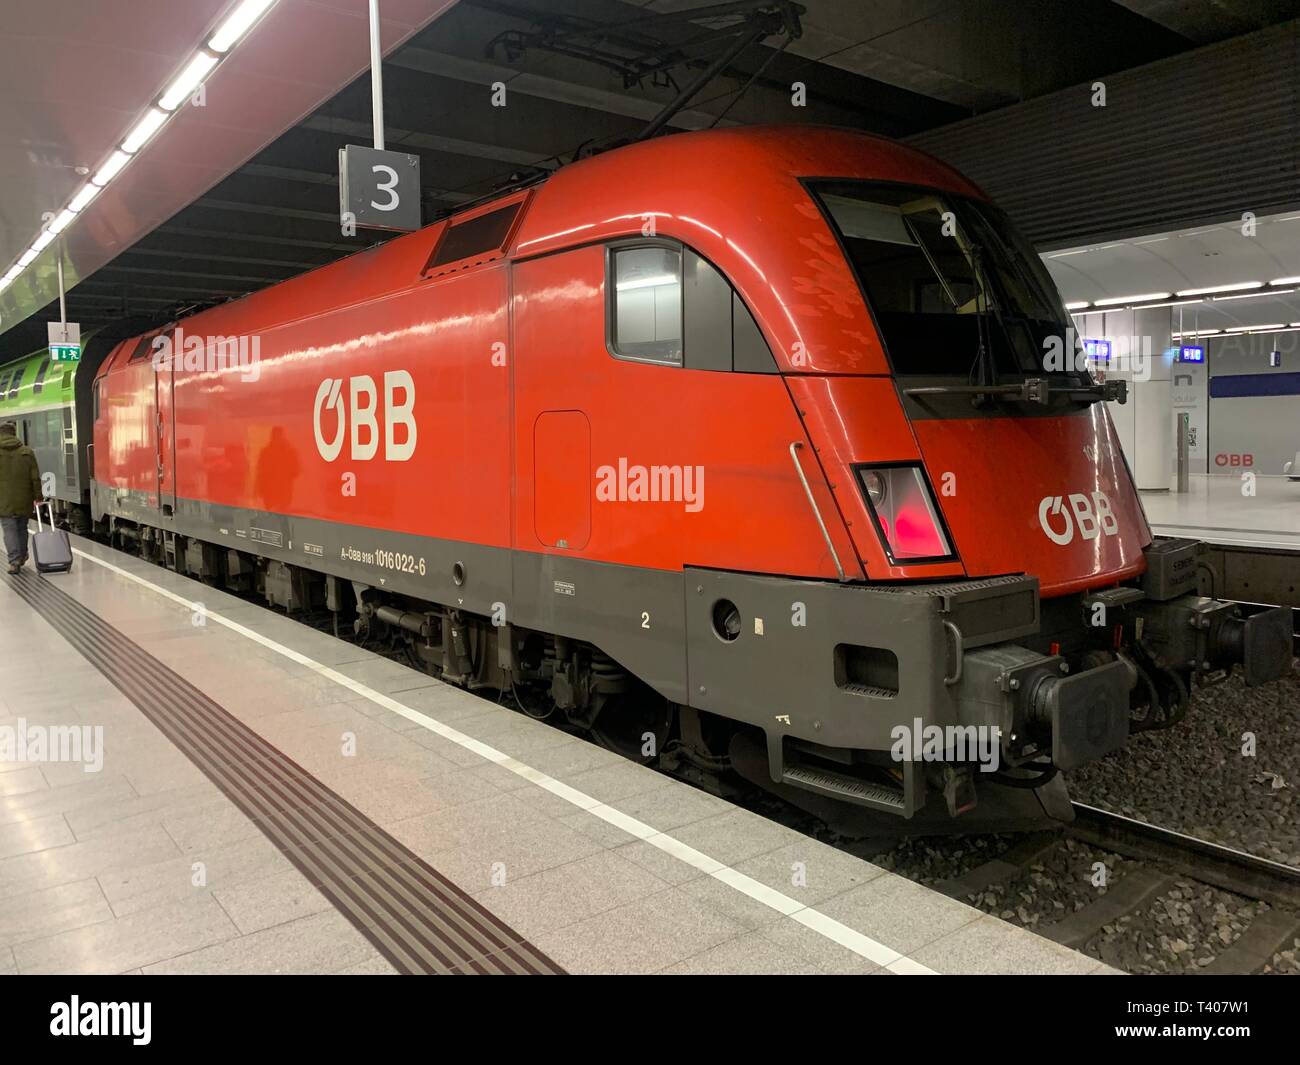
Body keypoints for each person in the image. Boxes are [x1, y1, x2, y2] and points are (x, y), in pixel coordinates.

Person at [0, 421, 42, 573]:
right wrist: (38, 496)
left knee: (9, 530)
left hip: (3, 500)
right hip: (24, 498)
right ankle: (23, 555)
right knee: (22, 528)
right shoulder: (27, 452)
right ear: (14, 433)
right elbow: (35, 477)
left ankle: (14, 561)